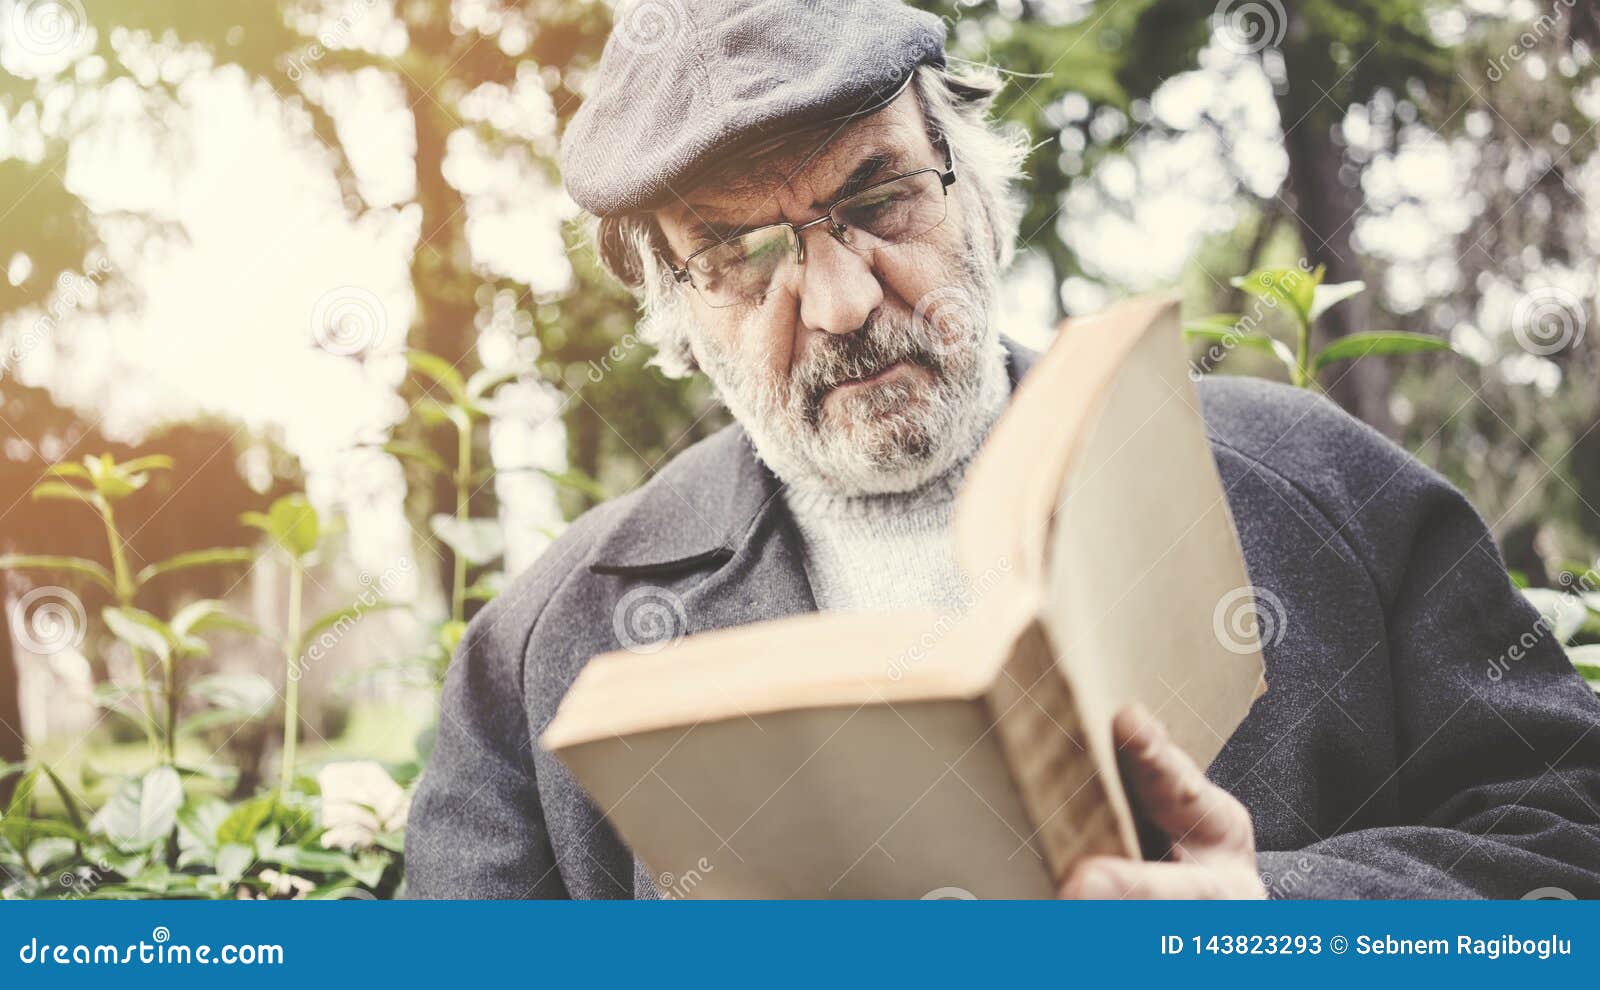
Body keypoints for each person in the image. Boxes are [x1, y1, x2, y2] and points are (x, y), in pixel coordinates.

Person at [407, 0, 1600, 899]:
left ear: (971, 188)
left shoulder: (1317, 482)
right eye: (740, 254)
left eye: (878, 198)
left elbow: (1569, 846)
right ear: (672, 302)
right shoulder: (535, 654)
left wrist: (1268, 921)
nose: (840, 302)